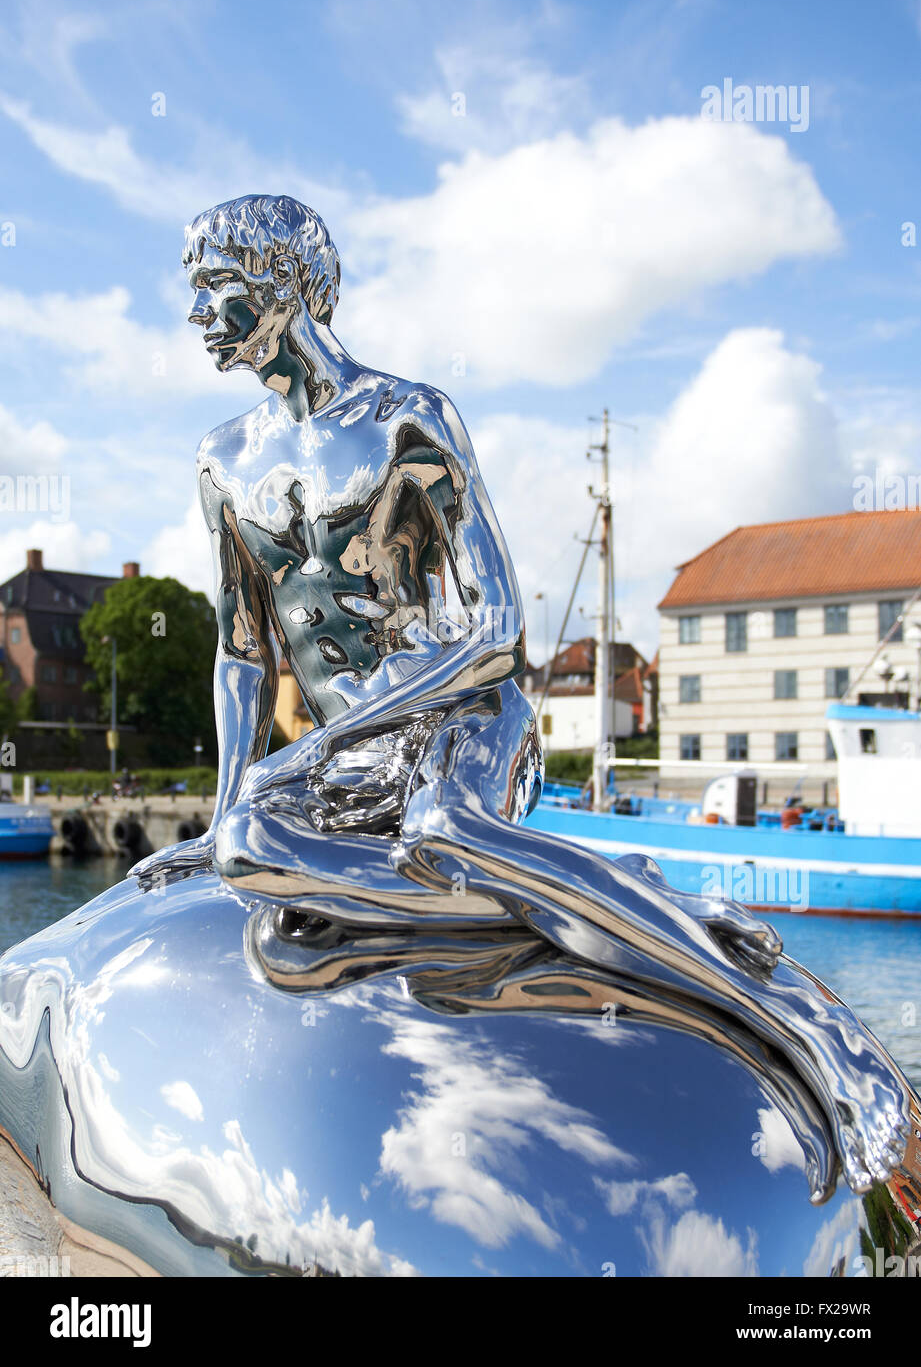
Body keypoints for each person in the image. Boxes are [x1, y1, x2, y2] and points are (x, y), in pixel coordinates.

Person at [131, 195, 908, 1201]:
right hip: (342, 765)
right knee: (249, 859)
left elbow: (497, 633)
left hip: (460, 719)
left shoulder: (406, 415)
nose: (197, 314)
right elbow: (243, 652)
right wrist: (233, 799)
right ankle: (622, 895)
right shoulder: (222, 458)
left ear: (279, 284)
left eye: (216, 288)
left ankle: (804, 1025)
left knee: (445, 834)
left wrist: (315, 750)